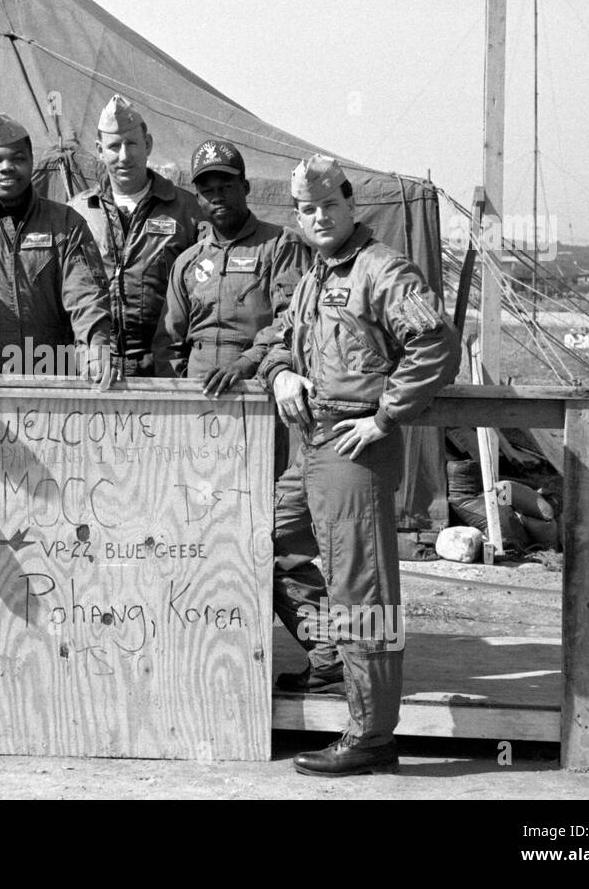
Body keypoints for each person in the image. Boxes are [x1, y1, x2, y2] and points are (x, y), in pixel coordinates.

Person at [259, 154, 461, 776]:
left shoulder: (382, 270)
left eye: (329, 206)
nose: (319, 217)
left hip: (355, 447)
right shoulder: (314, 277)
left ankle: (372, 734)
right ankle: (330, 657)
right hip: (309, 443)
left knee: (362, 589)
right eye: (307, 210)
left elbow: (436, 342)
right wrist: (281, 371)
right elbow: (276, 338)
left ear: (351, 207)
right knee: (259, 533)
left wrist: (383, 418)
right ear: (298, 217)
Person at [152, 138, 341, 690]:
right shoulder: (188, 261)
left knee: (276, 538)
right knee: (201, 534)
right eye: (205, 188)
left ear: (245, 187)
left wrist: (246, 363)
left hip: (264, 415)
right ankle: (212, 654)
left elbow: (289, 324)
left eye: (225, 185)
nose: (216, 196)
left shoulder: (280, 247)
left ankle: (328, 652)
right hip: (201, 422)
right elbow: (173, 337)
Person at [0, 112, 116, 389]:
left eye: (17, 158)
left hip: (54, 377)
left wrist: (96, 351)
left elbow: (87, 298)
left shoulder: (65, 224)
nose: (6, 167)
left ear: (31, 162)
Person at [68, 94, 201, 376]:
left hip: (164, 368)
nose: (124, 156)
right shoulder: (76, 213)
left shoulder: (187, 211)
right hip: (95, 367)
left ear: (148, 145)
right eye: (114, 146)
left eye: (132, 144)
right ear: (99, 150)